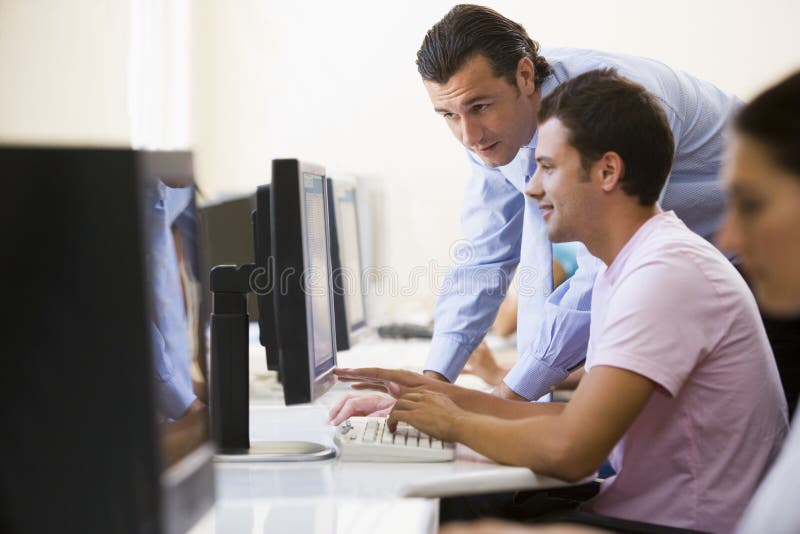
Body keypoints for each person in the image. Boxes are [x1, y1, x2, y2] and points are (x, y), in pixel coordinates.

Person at [335, 70, 788, 533]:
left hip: (682, 524)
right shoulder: (632, 265)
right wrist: (434, 396)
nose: (531, 188)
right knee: (453, 503)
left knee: (435, 519)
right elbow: (576, 417)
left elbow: (571, 451)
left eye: (547, 168)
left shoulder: (664, 274)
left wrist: (453, 423)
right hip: (641, 509)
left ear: (608, 172)